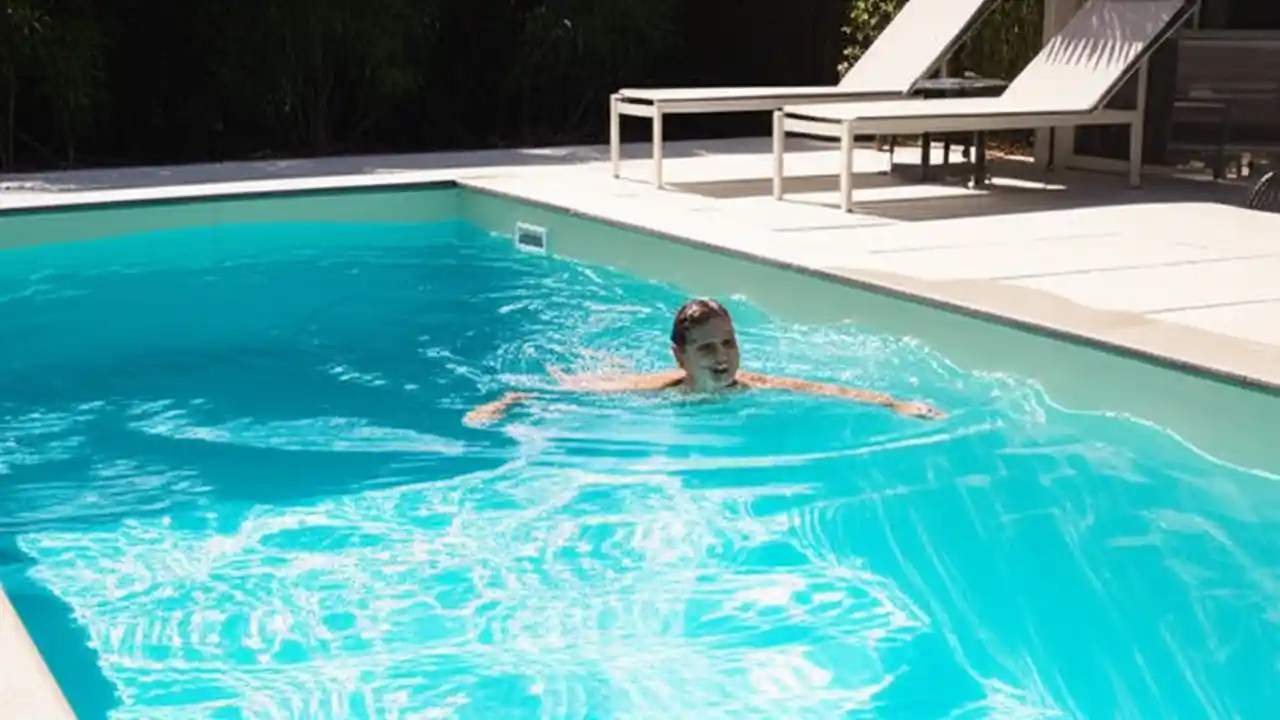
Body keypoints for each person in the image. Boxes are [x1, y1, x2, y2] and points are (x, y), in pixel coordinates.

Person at [464, 297, 946, 426]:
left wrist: (893, 403)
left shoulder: (752, 385)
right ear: (681, 355)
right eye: (708, 348)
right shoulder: (662, 391)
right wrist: (508, 400)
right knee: (606, 372)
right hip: (638, 383)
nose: (723, 357)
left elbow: (824, 390)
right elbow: (575, 394)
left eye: (729, 343)